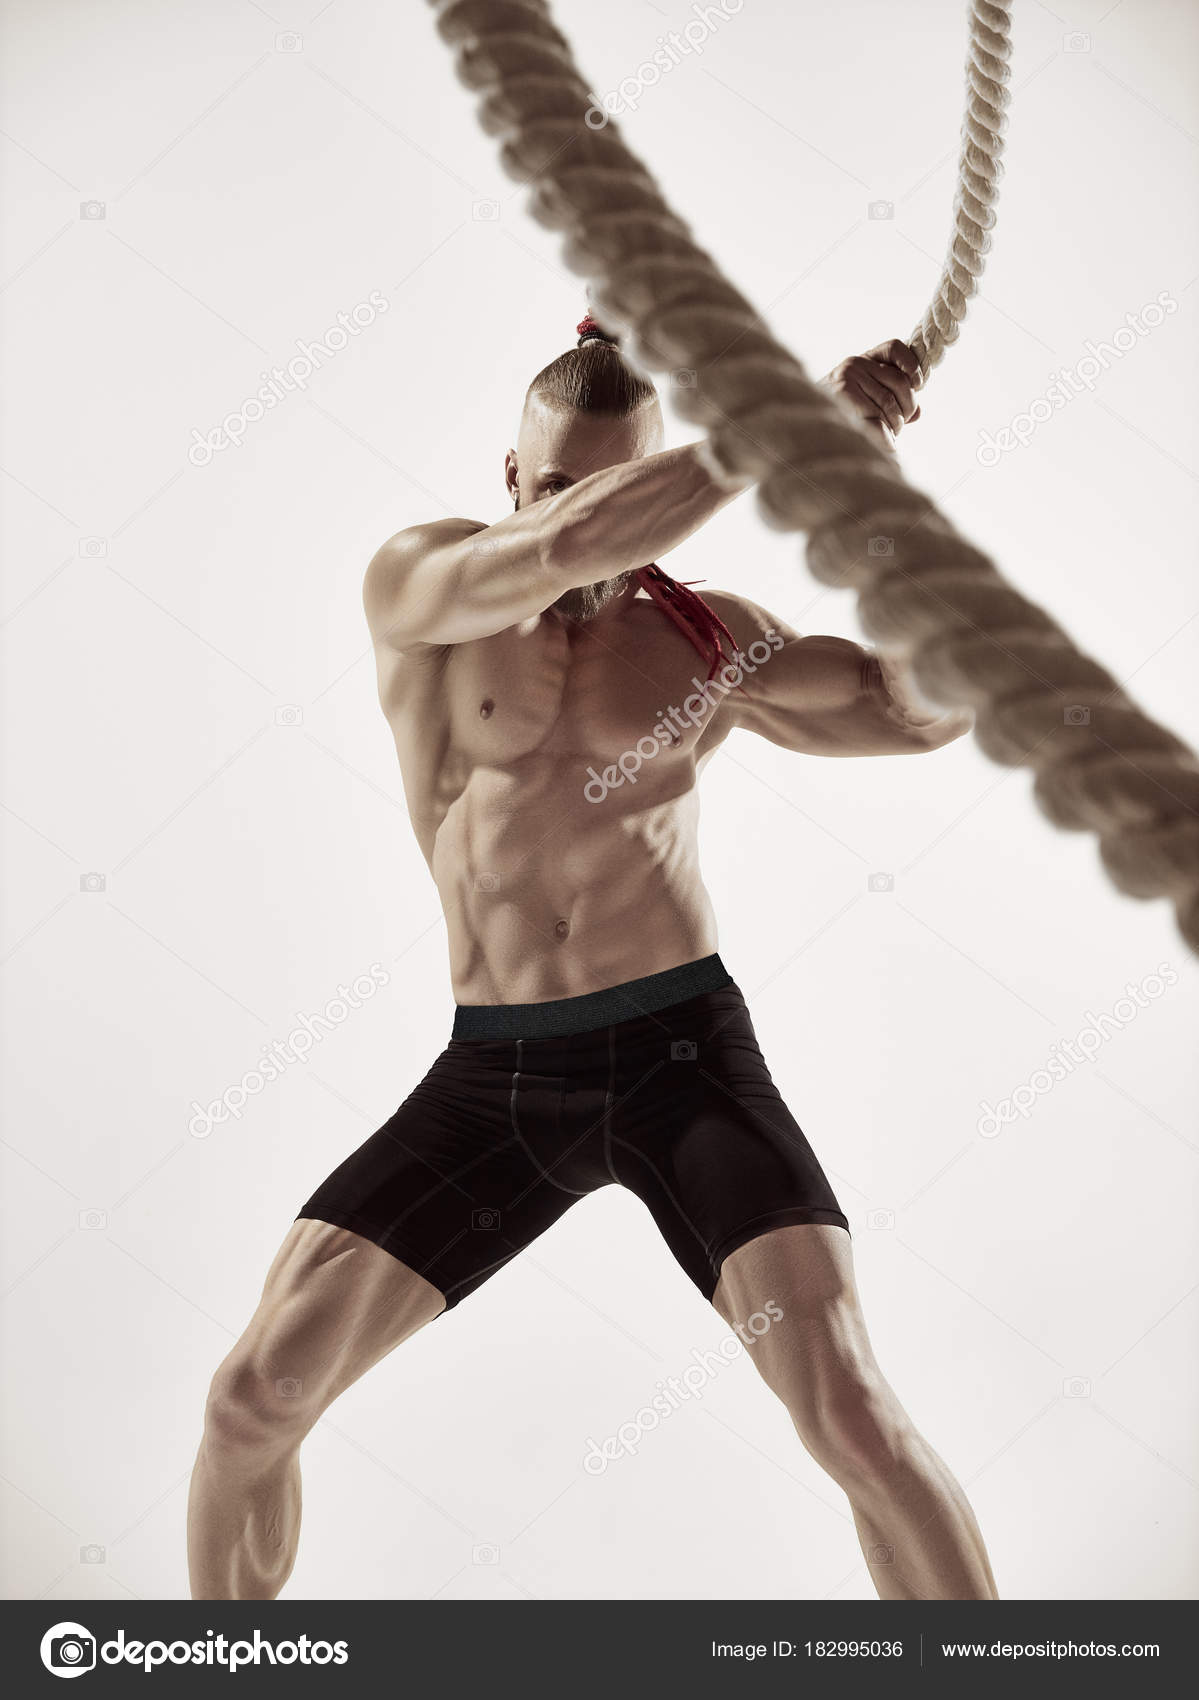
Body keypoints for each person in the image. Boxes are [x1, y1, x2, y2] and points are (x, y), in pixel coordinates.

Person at [186, 318, 995, 1601]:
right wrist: (780, 420)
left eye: (620, 486)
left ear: (657, 489)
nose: (585, 513)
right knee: (250, 1401)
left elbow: (917, 711)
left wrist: (875, 498)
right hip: (495, 1076)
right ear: (510, 477)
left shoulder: (707, 640)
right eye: (558, 482)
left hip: (682, 1057)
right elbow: (564, 547)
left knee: (849, 1412)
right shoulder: (423, 587)